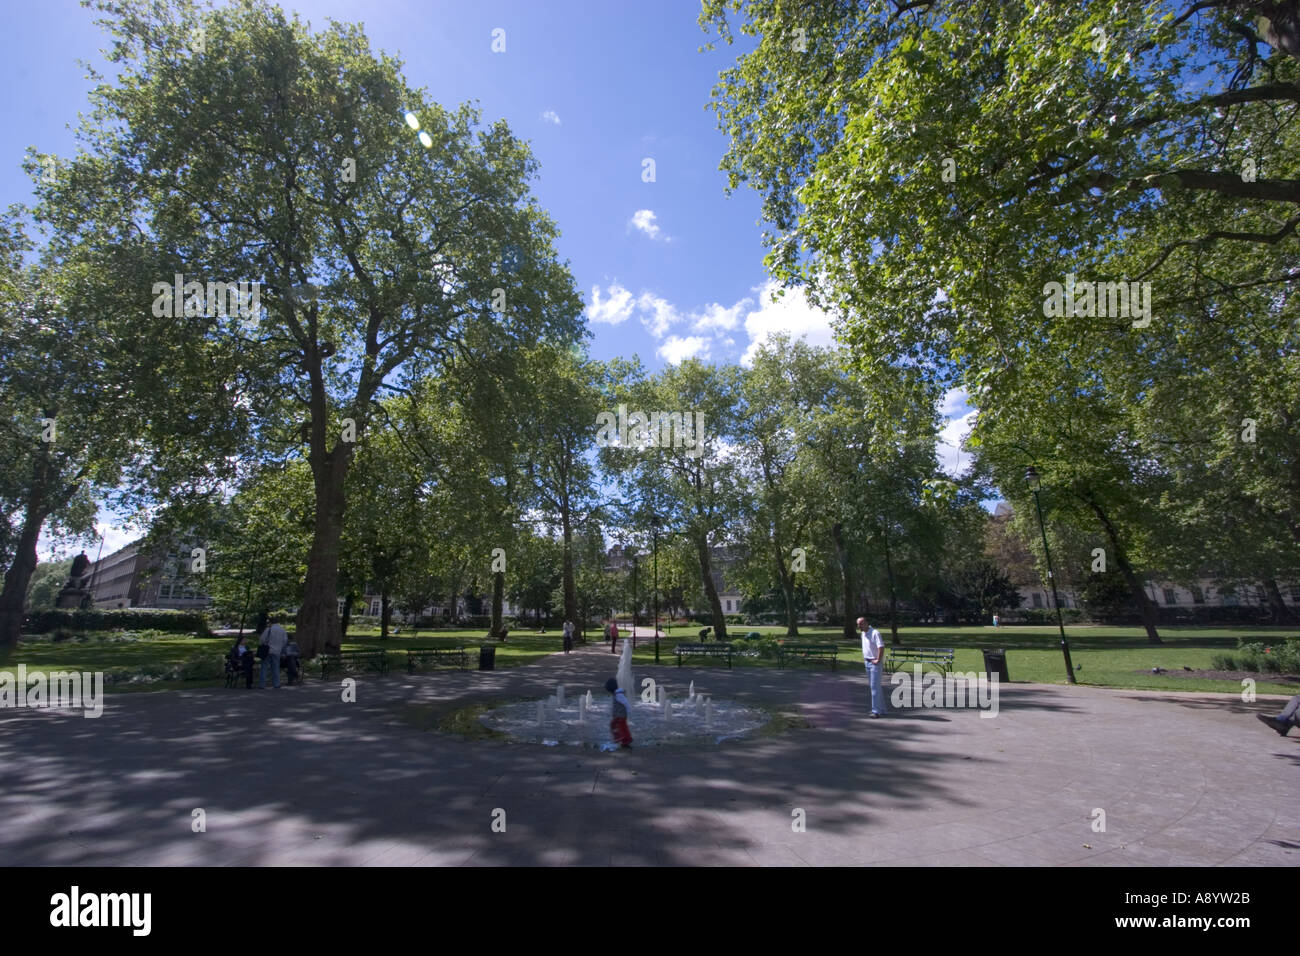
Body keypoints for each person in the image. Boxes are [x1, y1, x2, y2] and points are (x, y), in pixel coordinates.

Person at [859, 616, 887, 718]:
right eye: (858, 625)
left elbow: (881, 647)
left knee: (874, 688)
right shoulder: (863, 633)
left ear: (866, 623)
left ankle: (876, 711)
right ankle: (882, 709)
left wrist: (878, 660)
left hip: (875, 663)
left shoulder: (875, 633)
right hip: (867, 662)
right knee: (875, 687)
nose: (859, 627)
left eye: (860, 624)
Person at [258, 615, 289, 689]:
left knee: (264, 667)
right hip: (277, 651)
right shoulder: (282, 630)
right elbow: (285, 641)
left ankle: (262, 684)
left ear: (271, 622)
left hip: (267, 651)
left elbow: (262, 639)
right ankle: (276, 683)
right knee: (275, 667)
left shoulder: (269, 629)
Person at [605, 677, 633, 749]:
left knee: (622, 727)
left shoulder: (618, 695)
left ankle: (626, 739)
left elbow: (625, 702)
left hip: (621, 715)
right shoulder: (616, 694)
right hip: (618, 715)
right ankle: (620, 738)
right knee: (614, 725)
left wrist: (629, 709)